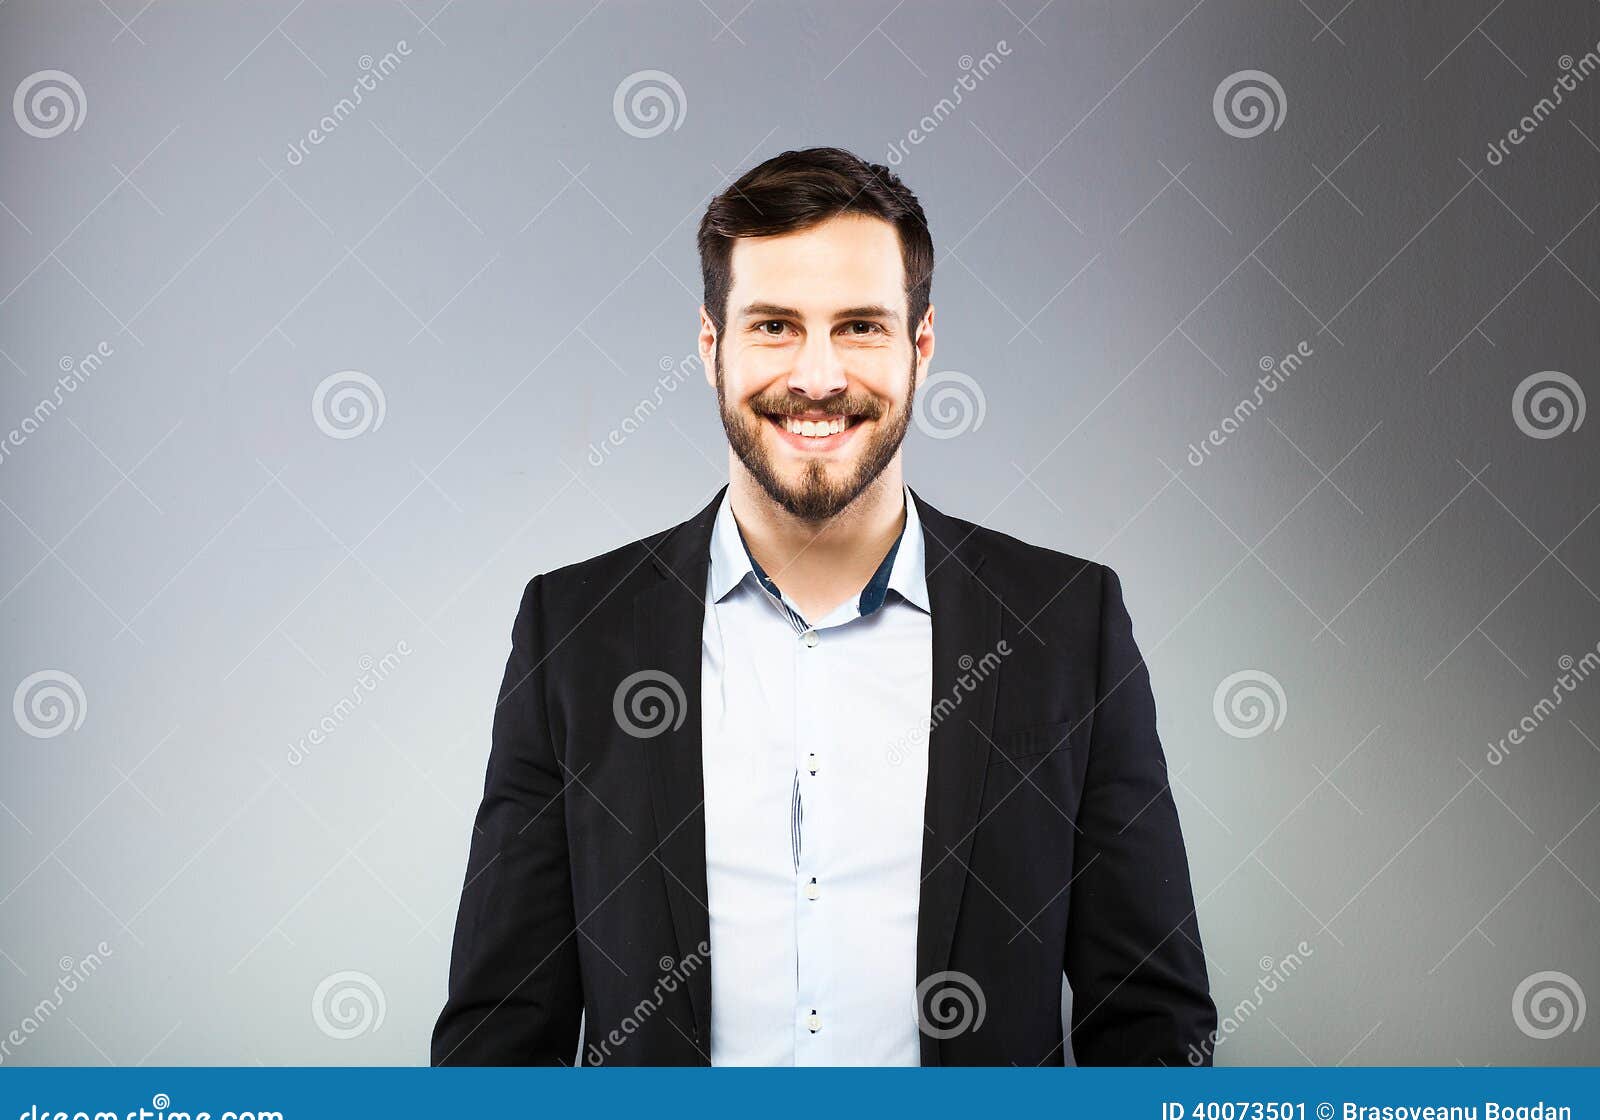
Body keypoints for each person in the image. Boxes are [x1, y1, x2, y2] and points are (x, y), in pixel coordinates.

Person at [431, 146, 1216, 1066]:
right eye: (773, 325)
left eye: (858, 327)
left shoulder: (1065, 626)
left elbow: (1154, 1026)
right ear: (709, 345)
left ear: (920, 345)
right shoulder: (573, 632)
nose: (817, 376)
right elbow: (497, 1041)